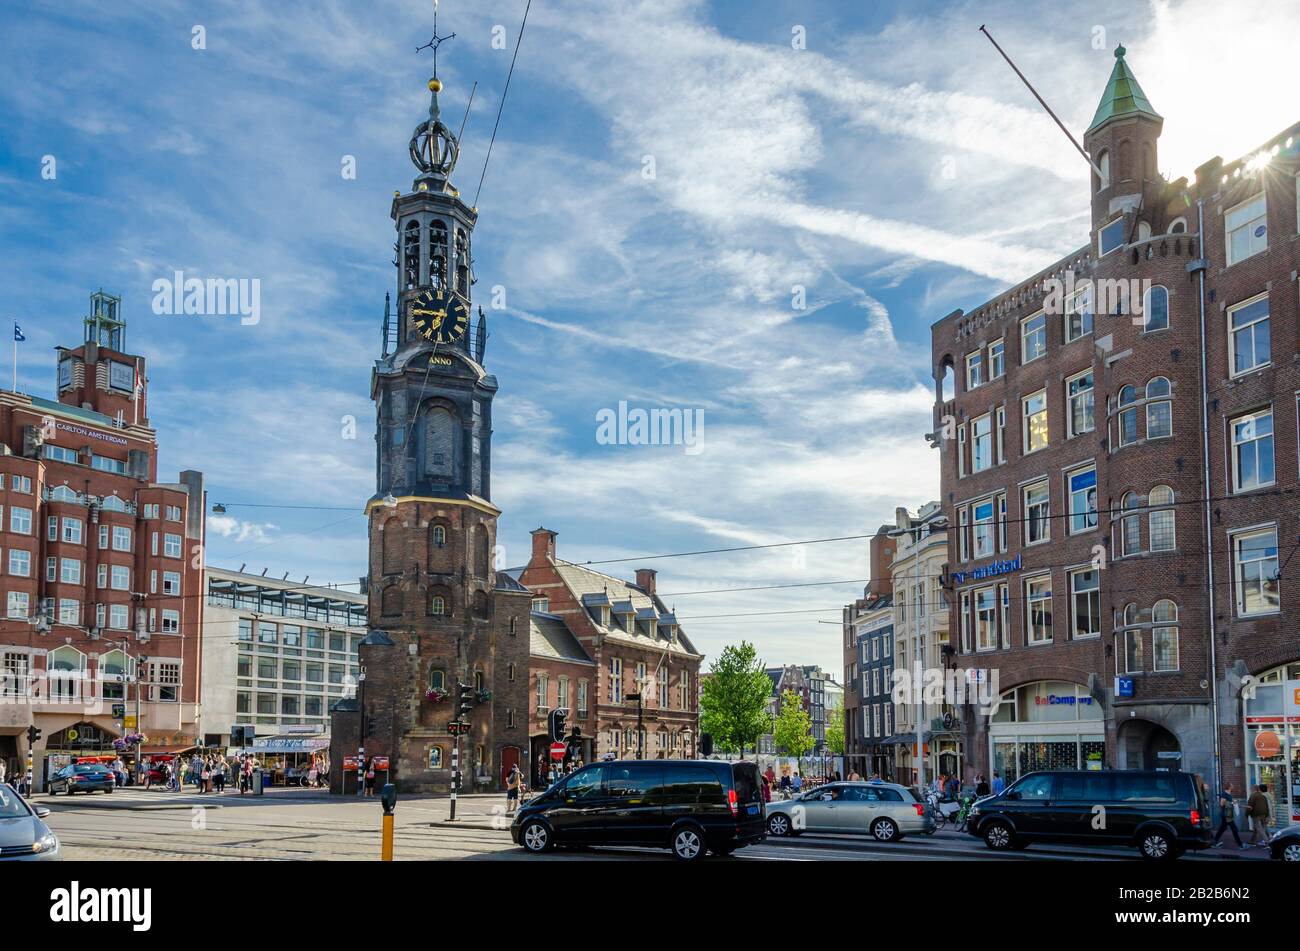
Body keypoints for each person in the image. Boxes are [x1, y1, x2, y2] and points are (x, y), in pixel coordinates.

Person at [1213, 783, 1243, 848]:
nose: (1233, 786)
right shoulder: (1224, 794)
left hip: (1227, 814)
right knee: (1234, 829)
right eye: (1232, 785)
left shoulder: (1228, 794)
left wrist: (1234, 802)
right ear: (1229, 787)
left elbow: (1228, 802)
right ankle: (1240, 845)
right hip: (1226, 814)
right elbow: (1221, 804)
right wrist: (1232, 803)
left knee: (1222, 829)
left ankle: (1214, 842)